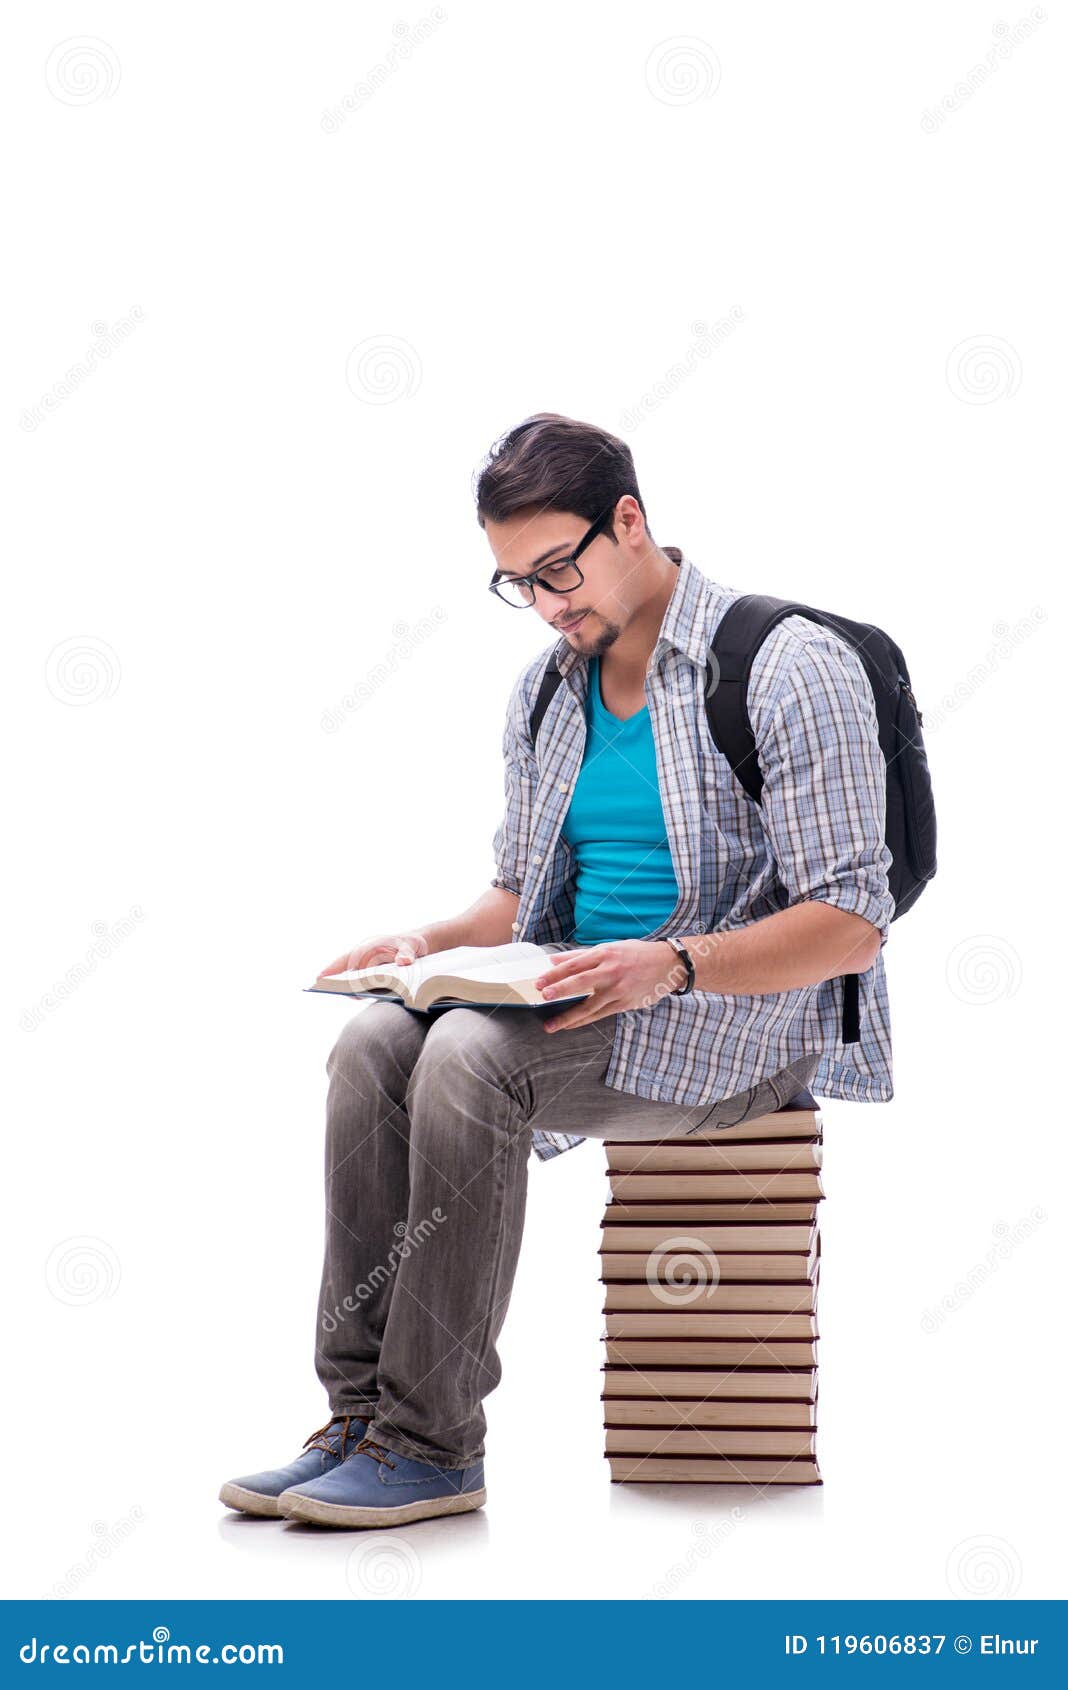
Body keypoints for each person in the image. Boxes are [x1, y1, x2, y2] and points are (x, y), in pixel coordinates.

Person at [220, 413, 893, 1530]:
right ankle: (359, 1419)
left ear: (629, 520)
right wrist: (426, 947)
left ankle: (435, 1445)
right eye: (516, 584)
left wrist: (671, 964)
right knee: (375, 1042)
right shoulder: (548, 691)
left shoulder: (785, 666)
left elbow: (853, 920)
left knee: (472, 1060)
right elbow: (518, 893)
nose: (546, 604)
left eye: (557, 570)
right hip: (581, 999)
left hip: (735, 1024)